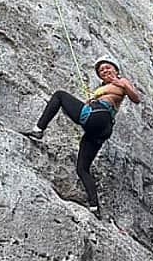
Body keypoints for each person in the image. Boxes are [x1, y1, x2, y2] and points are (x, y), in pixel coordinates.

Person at [21, 56, 141, 218]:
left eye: (108, 67)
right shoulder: (103, 88)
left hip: (98, 116)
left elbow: (136, 99)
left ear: (116, 70)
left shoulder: (121, 82)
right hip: (101, 128)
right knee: (82, 168)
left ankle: (38, 129)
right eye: (101, 70)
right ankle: (95, 207)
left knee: (59, 95)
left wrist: (122, 84)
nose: (105, 71)